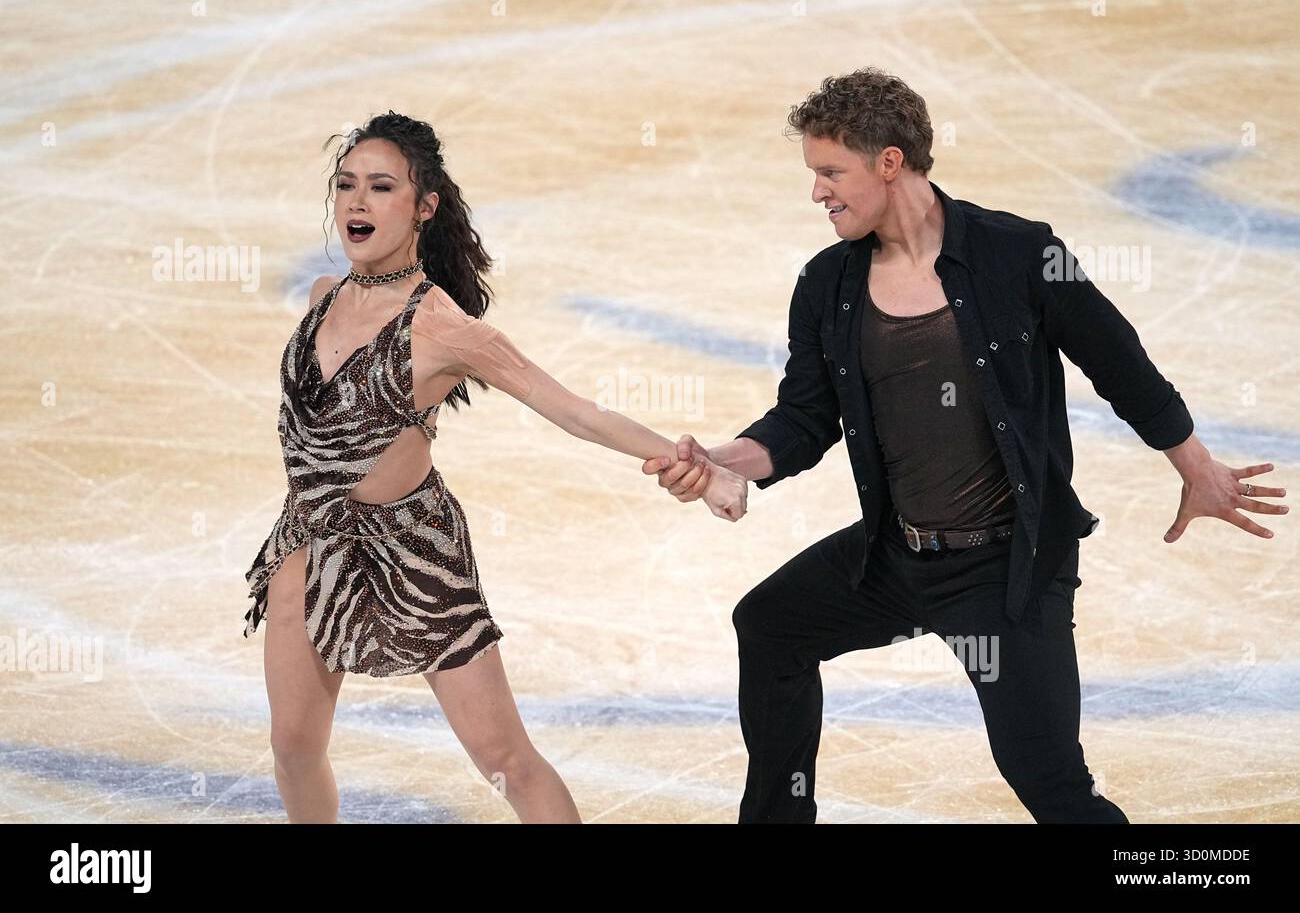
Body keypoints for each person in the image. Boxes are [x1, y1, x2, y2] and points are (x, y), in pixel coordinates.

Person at [643, 68, 1289, 823]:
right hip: (895, 553)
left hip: (1006, 569)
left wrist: (1197, 467)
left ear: (890, 161)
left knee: (1049, 783)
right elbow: (803, 421)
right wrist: (726, 460)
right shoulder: (828, 284)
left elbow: (1121, 365)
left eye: (829, 172)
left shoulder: (1017, 254)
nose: (817, 193)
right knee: (771, 625)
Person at [242, 111, 747, 823]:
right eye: (346, 184)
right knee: (292, 746)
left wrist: (696, 468)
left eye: (381, 187)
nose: (357, 201)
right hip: (311, 542)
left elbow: (575, 411)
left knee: (505, 762)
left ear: (424, 208)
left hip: (414, 551)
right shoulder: (323, 297)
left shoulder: (443, 326)